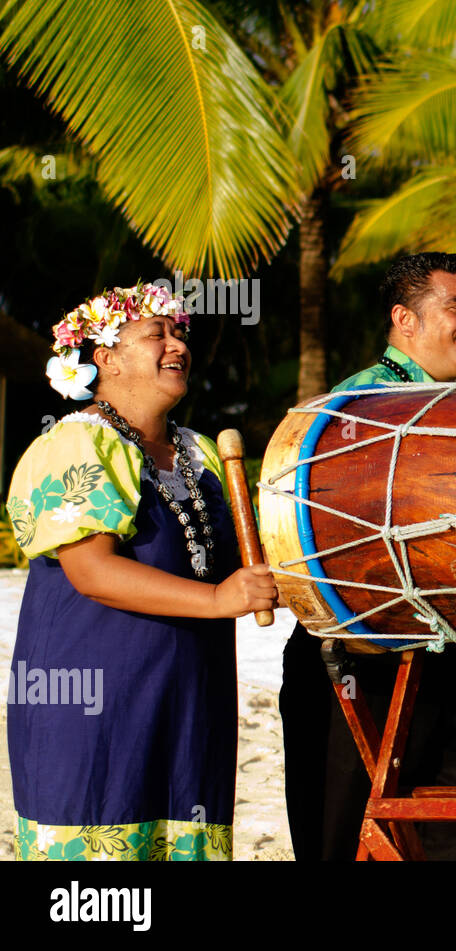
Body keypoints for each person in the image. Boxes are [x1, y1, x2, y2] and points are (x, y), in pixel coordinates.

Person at [6, 283, 277, 860]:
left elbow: (233, 563)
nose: (176, 343)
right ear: (105, 357)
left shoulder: (200, 450)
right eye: (156, 334)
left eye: (179, 332)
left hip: (189, 700)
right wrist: (217, 601)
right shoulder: (76, 442)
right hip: (93, 702)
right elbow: (93, 572)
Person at [278, 251, 456, 861]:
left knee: (454, 835)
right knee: (344, 839)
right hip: (354, 651)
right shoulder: (353, 410)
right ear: (404, 320)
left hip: (449, 651)